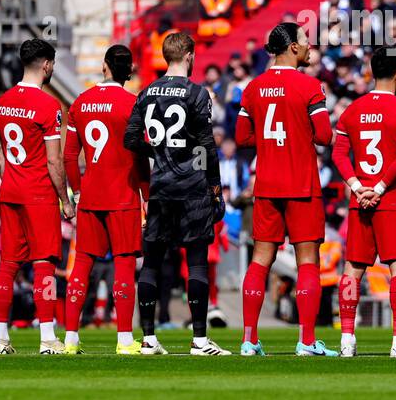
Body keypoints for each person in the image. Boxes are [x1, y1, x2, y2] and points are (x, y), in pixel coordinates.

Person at [124, 31, 230, 356]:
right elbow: (207, 145)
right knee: (197, 262)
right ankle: (199, 340)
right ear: (189, 56)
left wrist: (159, 151)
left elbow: (130, 139)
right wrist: (215, 185)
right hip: (192, 186)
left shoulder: (145, 92)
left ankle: (148, 339)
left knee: (152, 263)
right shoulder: (197, 93)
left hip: (161, 187)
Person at [235, 23, 335, 356]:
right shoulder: (309, 86)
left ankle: (249, 340)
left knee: (260, 260)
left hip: (266, 184)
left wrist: (269, 141)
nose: (309, 48)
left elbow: (241, 137)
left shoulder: (253, 87)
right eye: (306, 42)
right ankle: (306, 341)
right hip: (302, 184)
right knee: (308, 261)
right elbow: (324, 136)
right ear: (293, 47)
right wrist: (297, 137)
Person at [330, 46, 396, 358]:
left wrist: (359, 186)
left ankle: (347, 340)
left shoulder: (352, 110)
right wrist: (382, 186)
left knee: (353, 267)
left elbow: (337, 154)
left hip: (361, 198)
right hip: (393, 199)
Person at [0, 39, 75, 355]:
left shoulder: (2, 102)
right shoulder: (48, 105)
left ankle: (1, 338)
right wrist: (65, 200)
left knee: (8, 265)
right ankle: (47, 337)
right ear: (47, 65)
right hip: (38, 193)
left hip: (10, 189)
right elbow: (54, 161)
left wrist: (9, 178)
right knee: (44, 264)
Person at [62, 44, 145, 355]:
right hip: (123, 195)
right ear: (128, 72)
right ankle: (124, 340)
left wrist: (77, 190)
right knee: (124, 264)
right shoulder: (132, 104)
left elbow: (70, 155)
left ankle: (70, 338)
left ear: (104, 67)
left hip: (91, 196)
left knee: (82, 263)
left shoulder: (80, 103)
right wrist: (146, 195)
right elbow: (141, 157)